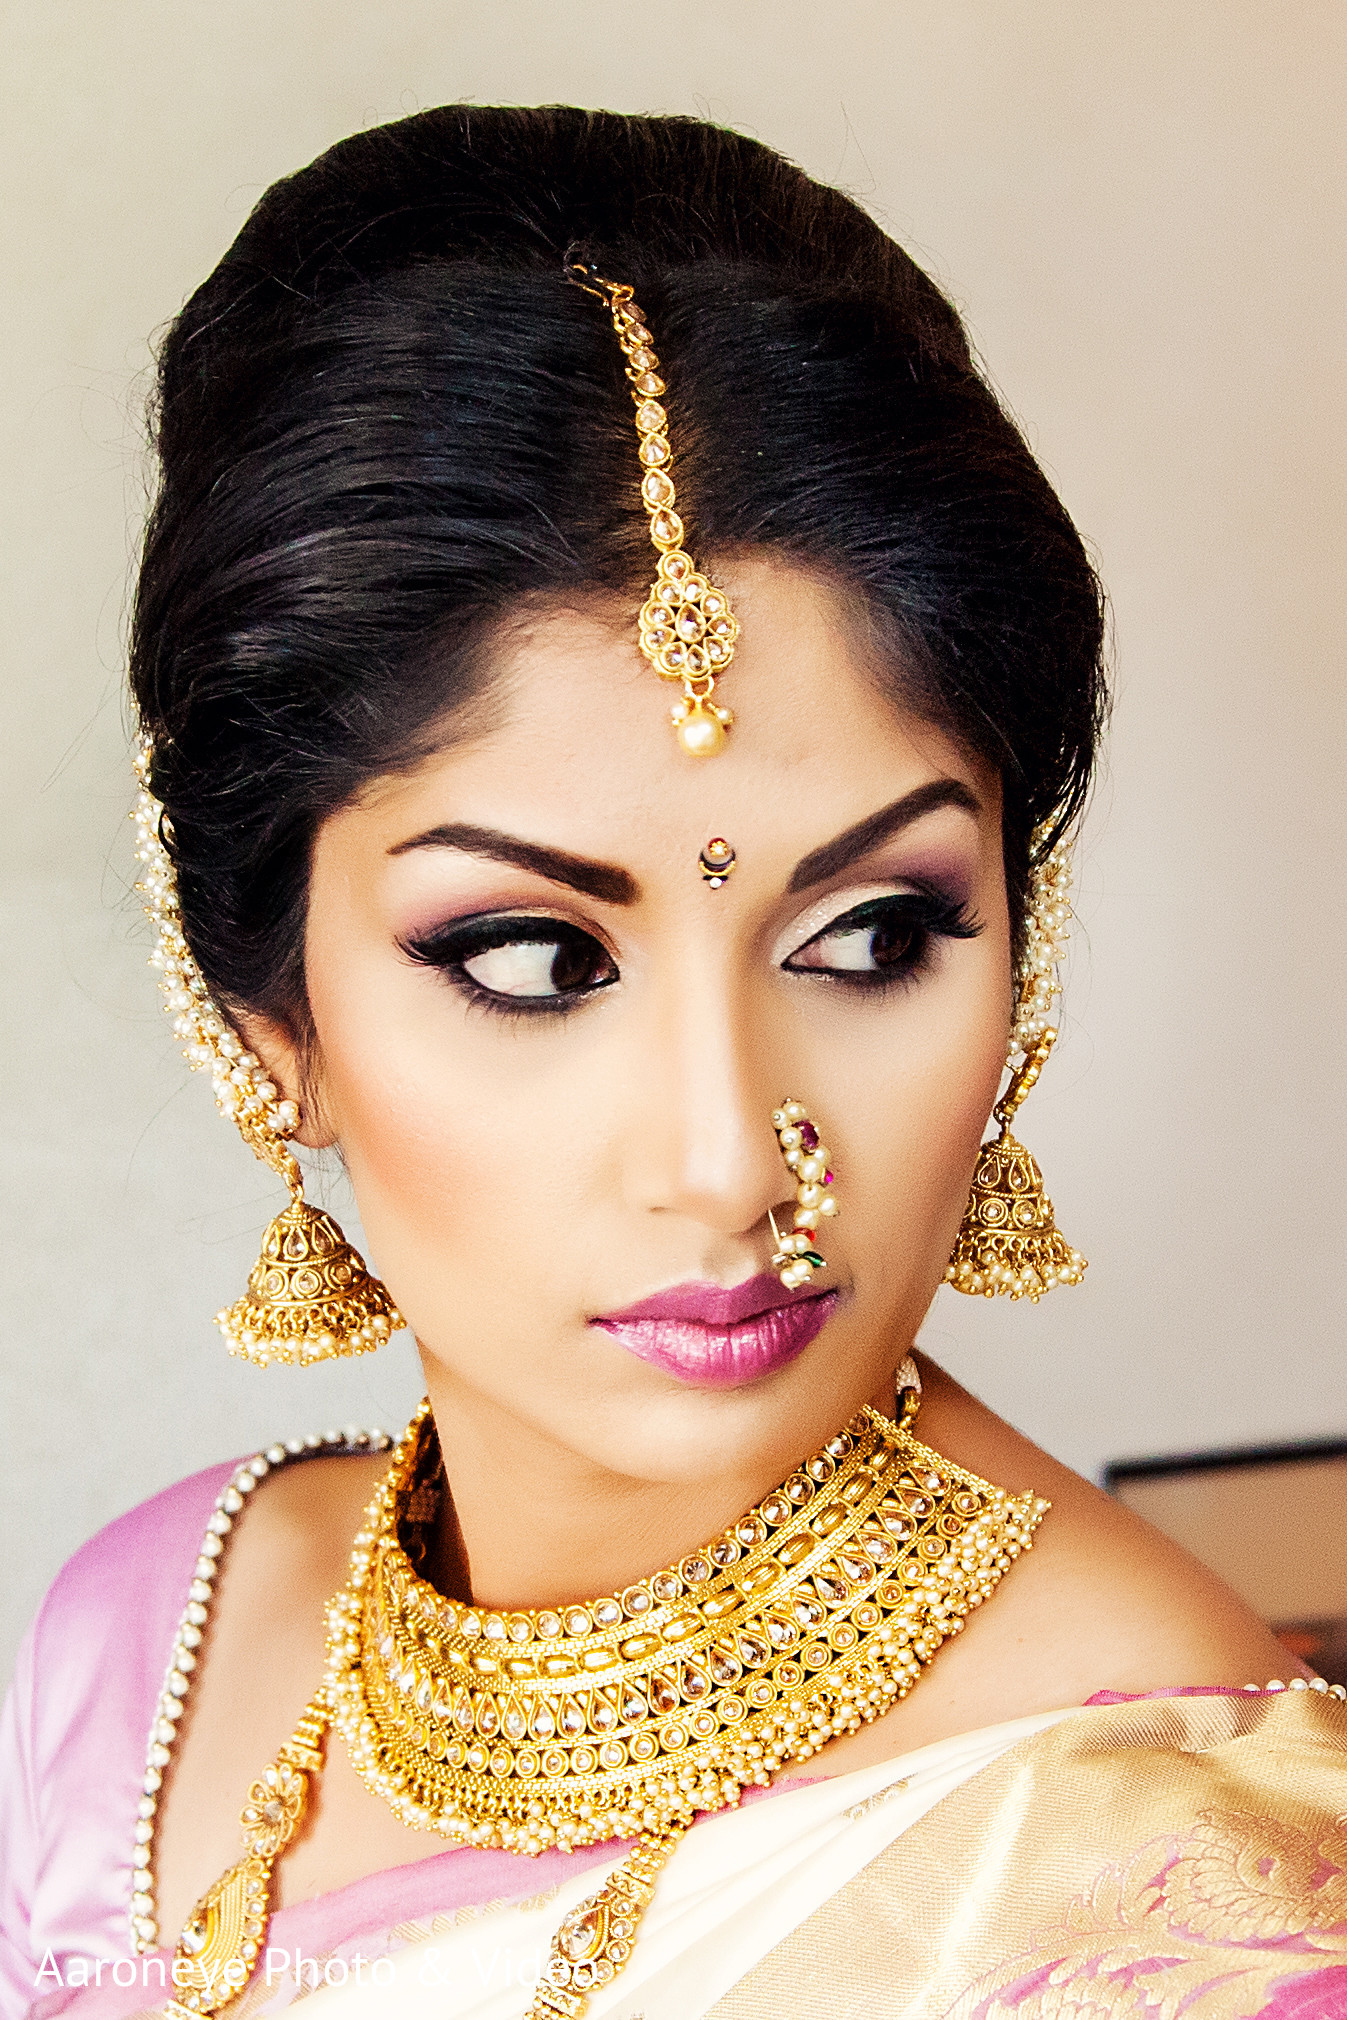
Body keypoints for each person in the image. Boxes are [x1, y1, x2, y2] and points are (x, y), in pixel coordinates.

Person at [3, 104, 1343, 2020]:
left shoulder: (1182, 1893)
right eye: (535, 958)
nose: (729, 1164)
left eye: (872, 936)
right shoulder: (149, 1652)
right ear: (264, 1015)